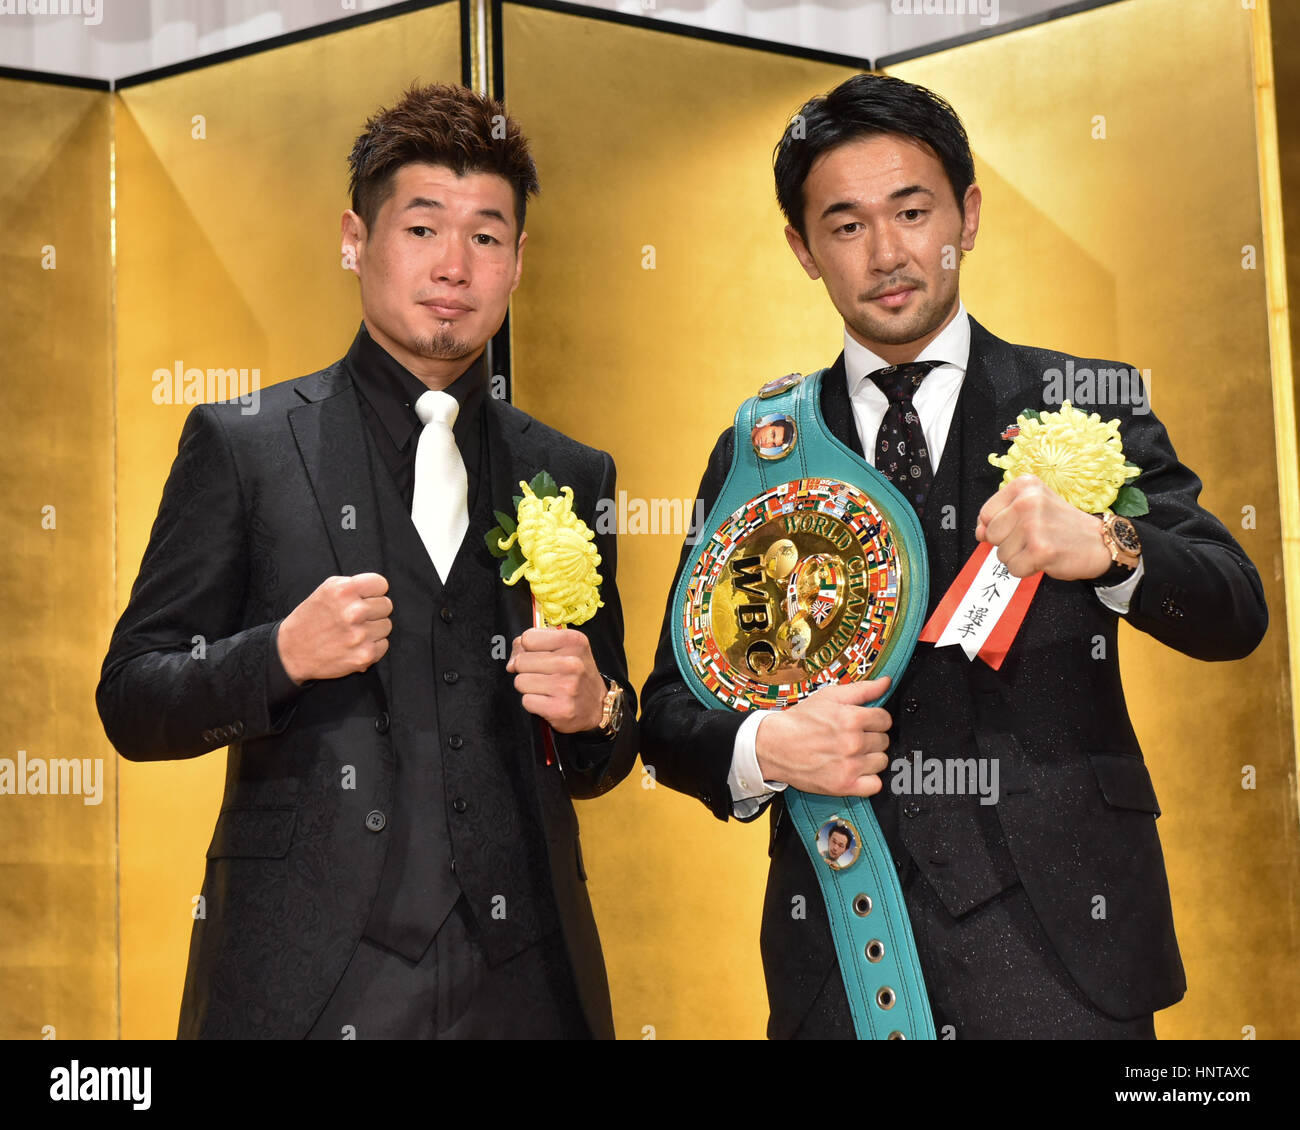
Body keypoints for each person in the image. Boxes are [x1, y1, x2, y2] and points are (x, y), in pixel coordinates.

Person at [639, 73, 1266, 1039]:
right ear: (803, 251)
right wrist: (768, 747)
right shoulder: (762, 449)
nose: (887, 254)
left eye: (912, 210)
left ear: (967, 216)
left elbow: (1234, 608)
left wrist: (1107, 546)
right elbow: (673, 708)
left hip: (1070, 947)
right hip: (846, 944)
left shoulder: (1083, 399)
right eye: (845, 226)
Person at [97, 83, 637, 1040]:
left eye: (487, 236)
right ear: (355, 239)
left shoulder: (569, 469)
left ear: (518, 263)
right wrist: (278, 655)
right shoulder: (245, 445)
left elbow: (604, 752)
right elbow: (134, 698)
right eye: (422, 228)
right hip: (303, 974)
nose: (453, 267)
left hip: (523, 983)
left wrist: (598, 710)